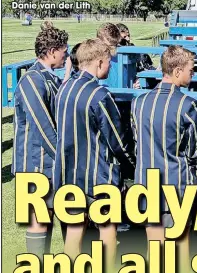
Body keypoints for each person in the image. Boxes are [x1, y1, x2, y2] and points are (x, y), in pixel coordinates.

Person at [53, 38, 135, 270]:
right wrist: (132, 165)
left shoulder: (64, 89)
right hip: (99, 176)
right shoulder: (99, 96)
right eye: (109, 62)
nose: (110, 67)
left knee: (74, 232)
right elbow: (118, 142)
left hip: (69, 175)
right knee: (108, 232)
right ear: (99, 62)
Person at [130, 45, 197, 272]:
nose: (193, 74)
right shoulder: (187, 105)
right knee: (180, 245)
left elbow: (136, 141)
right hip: (177, 183)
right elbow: (194, 151)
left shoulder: (139, 102)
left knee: (154, 247)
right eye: (191, 70)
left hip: (146, 182)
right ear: (177, 71)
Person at [11, 26, 68, 260]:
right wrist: (64, 159)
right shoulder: (32, 80)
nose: (66, 56)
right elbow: (44, 127)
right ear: (52, 51)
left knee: (48, 217)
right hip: (34, 164)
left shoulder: (48, 78)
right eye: (64, 51)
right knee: (39, 221)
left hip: (47, 163)